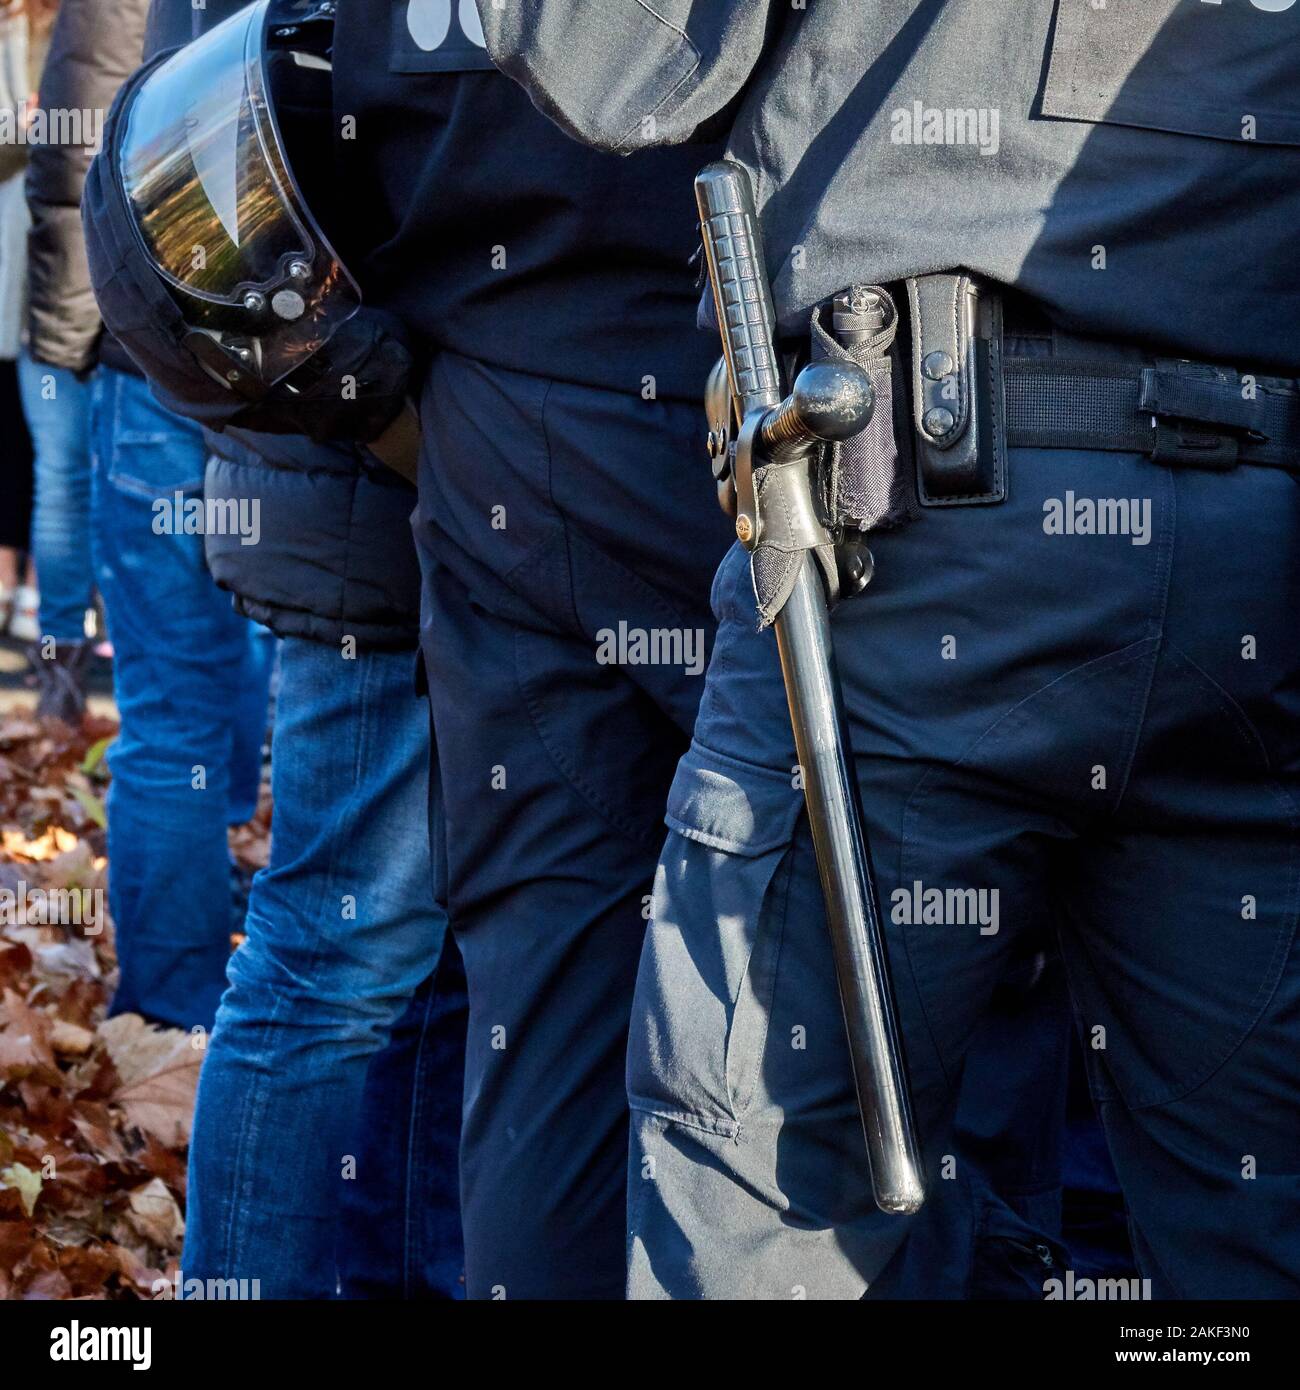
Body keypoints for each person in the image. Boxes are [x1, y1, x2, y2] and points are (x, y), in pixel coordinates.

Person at [481, 1, 1300, 1298]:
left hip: (924, 544)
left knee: (773, 1193)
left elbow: (609, 65)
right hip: (1247, 523)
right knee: (1253, 1216)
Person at [35, 0, 272, 1030]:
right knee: (313, 686)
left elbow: (78, 122)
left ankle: (173, 1021)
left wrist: (71, 340)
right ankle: (280, 999)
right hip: (327, 352)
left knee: (175, 706)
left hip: (165, 346)